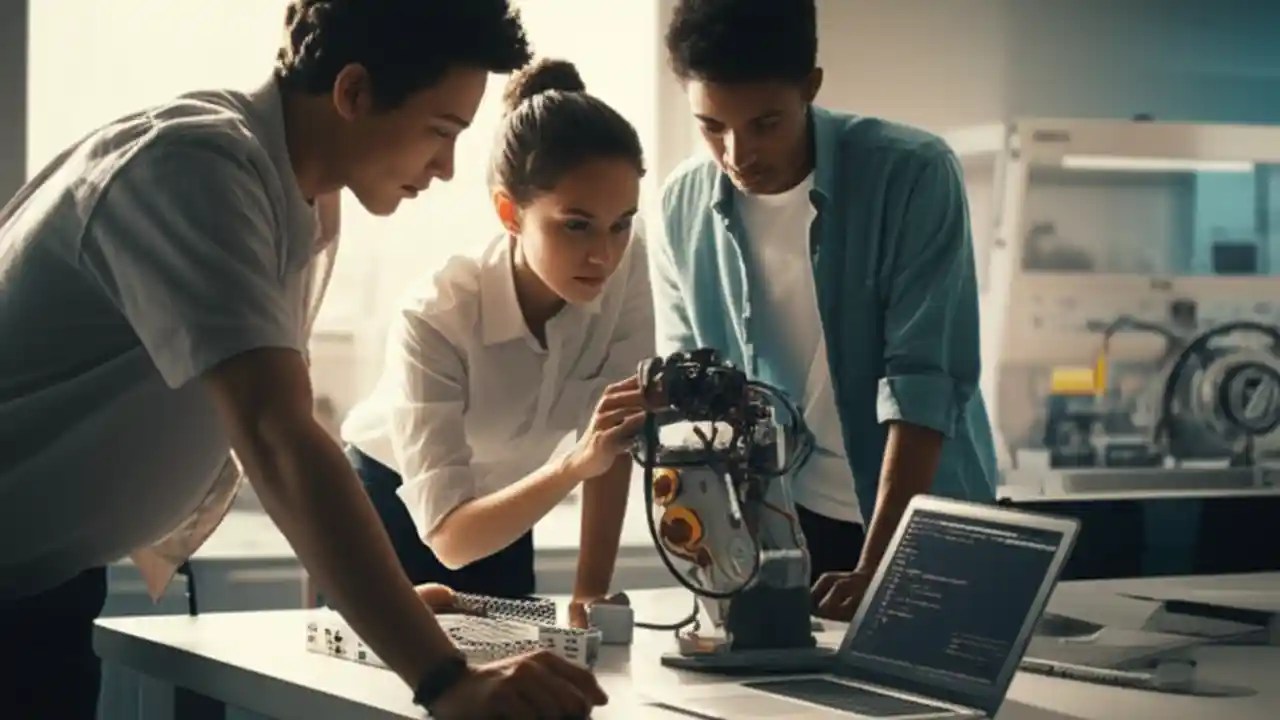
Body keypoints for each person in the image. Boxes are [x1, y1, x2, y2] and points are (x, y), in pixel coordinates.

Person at [0, 2, 609, 718]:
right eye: (441, 133)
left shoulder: (300, 199)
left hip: (45, 581)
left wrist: (381, 609)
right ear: (353, 93)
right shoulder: (195, 170)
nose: (445, 169)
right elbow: (276, 435)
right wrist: (445, 678)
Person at [652, 0, 999, 621]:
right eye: (711, 127)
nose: (738, 154)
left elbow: (922, 385)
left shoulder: (913, 173)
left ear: (811, 87)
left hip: (923, 519)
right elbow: (697, 397)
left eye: (764, 123)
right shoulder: (681, 204)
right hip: (788, 522)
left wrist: (881, 567)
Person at [340, 58, 654, 618]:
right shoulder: (435, 318)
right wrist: (572, 466)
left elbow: (614, 438)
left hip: (510, 505)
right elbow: (449, 539)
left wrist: (590, 592)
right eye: (575, 225)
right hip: (393, 508)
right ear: (510, 212)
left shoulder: (625, 267)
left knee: (517, 689)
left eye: (621, 223)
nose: (604, 254)